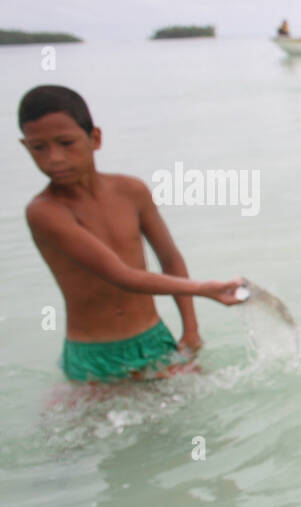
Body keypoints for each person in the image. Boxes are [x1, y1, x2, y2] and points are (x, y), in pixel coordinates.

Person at [18, 86, 243, 383]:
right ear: (26, 147)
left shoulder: (131, 191)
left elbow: (170, 257)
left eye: (66, 142)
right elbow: (120, 275)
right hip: (95, 353)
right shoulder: (45, 212)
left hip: (154, 339)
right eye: (39, 148)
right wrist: (204, 289)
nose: (55, 158)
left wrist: (190, 328)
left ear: (95, 138)